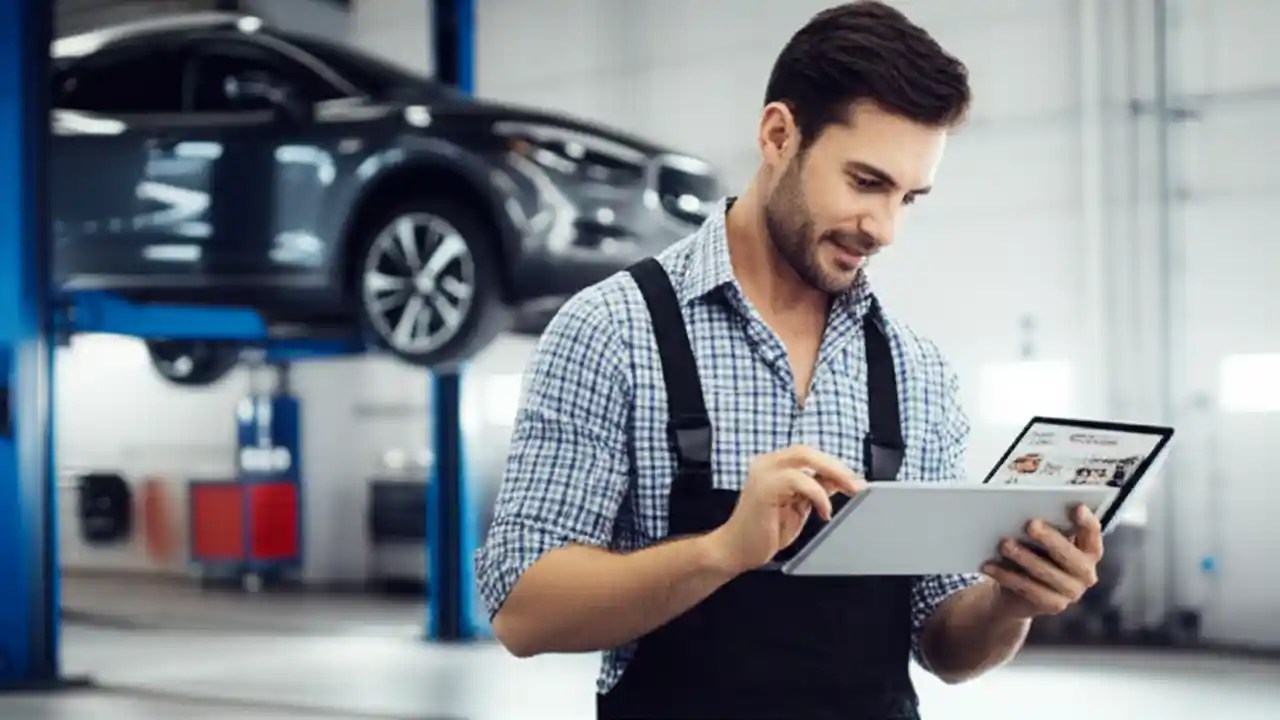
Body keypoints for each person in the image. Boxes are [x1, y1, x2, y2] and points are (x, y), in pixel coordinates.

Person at [475, 2, 1106, 718]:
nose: (885, 228)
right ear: (779, 134)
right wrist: (721, 551)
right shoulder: (611, 331)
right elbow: (522, 610)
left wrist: (1008, 604)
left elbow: (943, 643)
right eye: (866, 182)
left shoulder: (916, 372)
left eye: (909, 197)